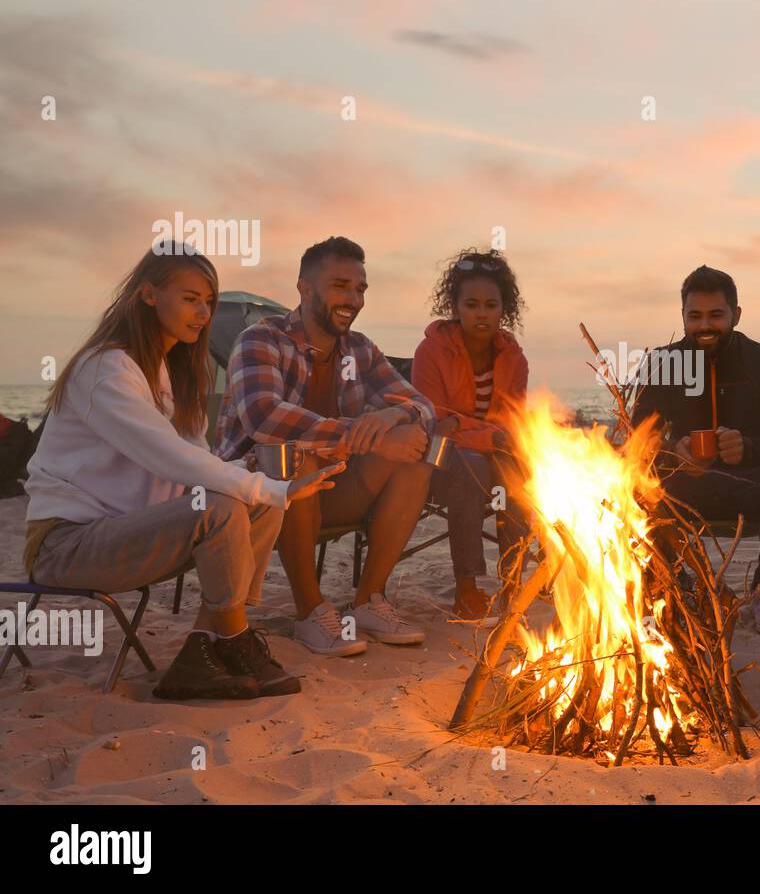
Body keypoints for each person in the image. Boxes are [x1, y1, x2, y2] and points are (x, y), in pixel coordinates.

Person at [24, 246, 343, 700]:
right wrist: (265, 486)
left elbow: (198, 464)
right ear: (148, 294)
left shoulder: (169, 372)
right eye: (191, 299)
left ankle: (200, 651)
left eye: (208, 301)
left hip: (129, 533)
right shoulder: (105, 368)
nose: (203, 313)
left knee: (257, 502)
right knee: (228, 504)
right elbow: (168, 457)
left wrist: (256, 471)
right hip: (66, 544)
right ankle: (235, 639)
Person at [216, 236, 436, 657]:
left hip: (327, 491)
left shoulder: (360, 350)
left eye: (360, 289)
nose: (353, 299)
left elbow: (423, 406)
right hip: (254, 499)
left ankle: (368, 601)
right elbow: (264, 417)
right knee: (295, 453)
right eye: (340, 286)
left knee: (415, 458)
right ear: (304, 288)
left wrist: (393, 416)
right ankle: (310, 611)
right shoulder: (260, 340)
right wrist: (366, 436)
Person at [631, 266, 760, 636]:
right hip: (685, 487)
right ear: (682, 316)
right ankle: (676, 582)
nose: (705, 326)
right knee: (629, 481)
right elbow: (636, 439)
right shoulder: (662, 364)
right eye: (695, 316)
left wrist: (749, 447)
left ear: (736, 314)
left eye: (716, 315)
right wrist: (672, 452)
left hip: (751, 485)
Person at [411, 249, 532, 621]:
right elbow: (435, 420)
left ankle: (513, 584)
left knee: (518, 469)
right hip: (439, 460)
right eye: (472, 305)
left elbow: (512, 421)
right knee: (469, 465)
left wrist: (495, 439)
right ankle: (466, 588)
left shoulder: (514, 359)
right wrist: (490, 438)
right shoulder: (431, 351)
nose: (482, 313)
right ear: (456, 307)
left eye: (491, 305)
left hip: (492, 458)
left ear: (504, 309)